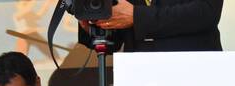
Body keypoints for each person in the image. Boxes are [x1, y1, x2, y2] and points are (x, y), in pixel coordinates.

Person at [77, 0, 224, 52]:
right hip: (139, 76)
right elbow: (116, 40)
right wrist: (93, 27)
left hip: (194, 70)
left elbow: (207, 11)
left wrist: (138, 17)